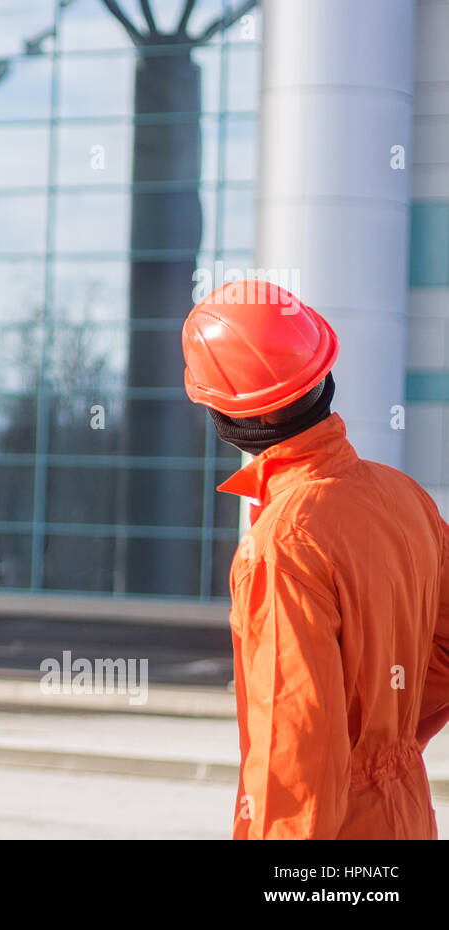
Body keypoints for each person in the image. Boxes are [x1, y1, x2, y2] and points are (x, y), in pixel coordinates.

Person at [182, 279, 449, 839]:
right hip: (406, 814)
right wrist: (383, 739)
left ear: (224, 416)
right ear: (324, 379)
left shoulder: (282, 544)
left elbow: (293, 755)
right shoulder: (406, 496)